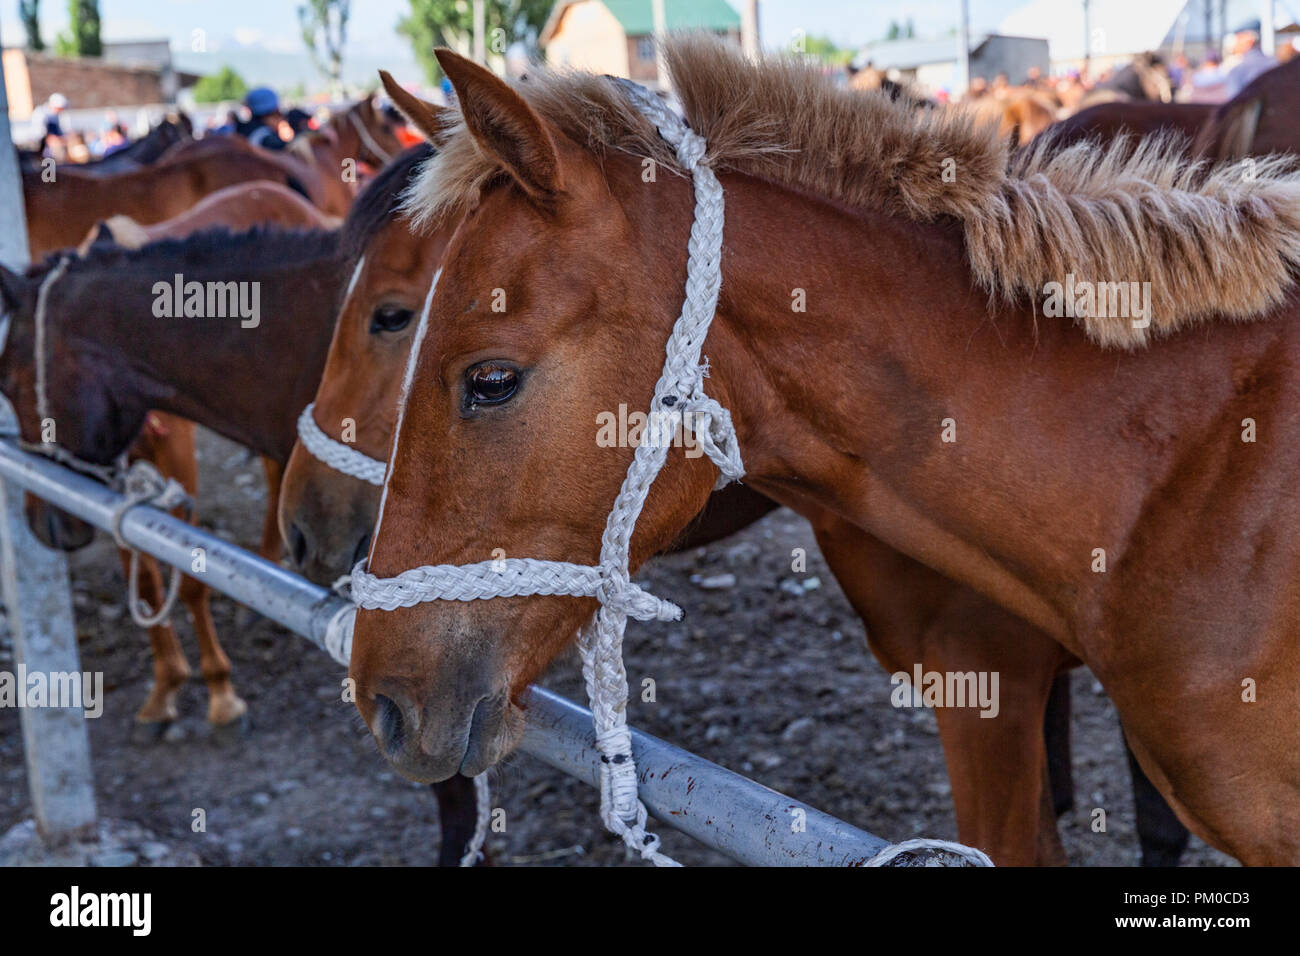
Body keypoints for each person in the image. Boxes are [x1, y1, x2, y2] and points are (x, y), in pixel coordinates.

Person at [1224, 29, 1275, 97]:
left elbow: (1234, 103)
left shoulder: (1237, 72)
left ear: (1249, 42)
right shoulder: (1277, 63)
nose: (1234, 46)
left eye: (1238, 41)